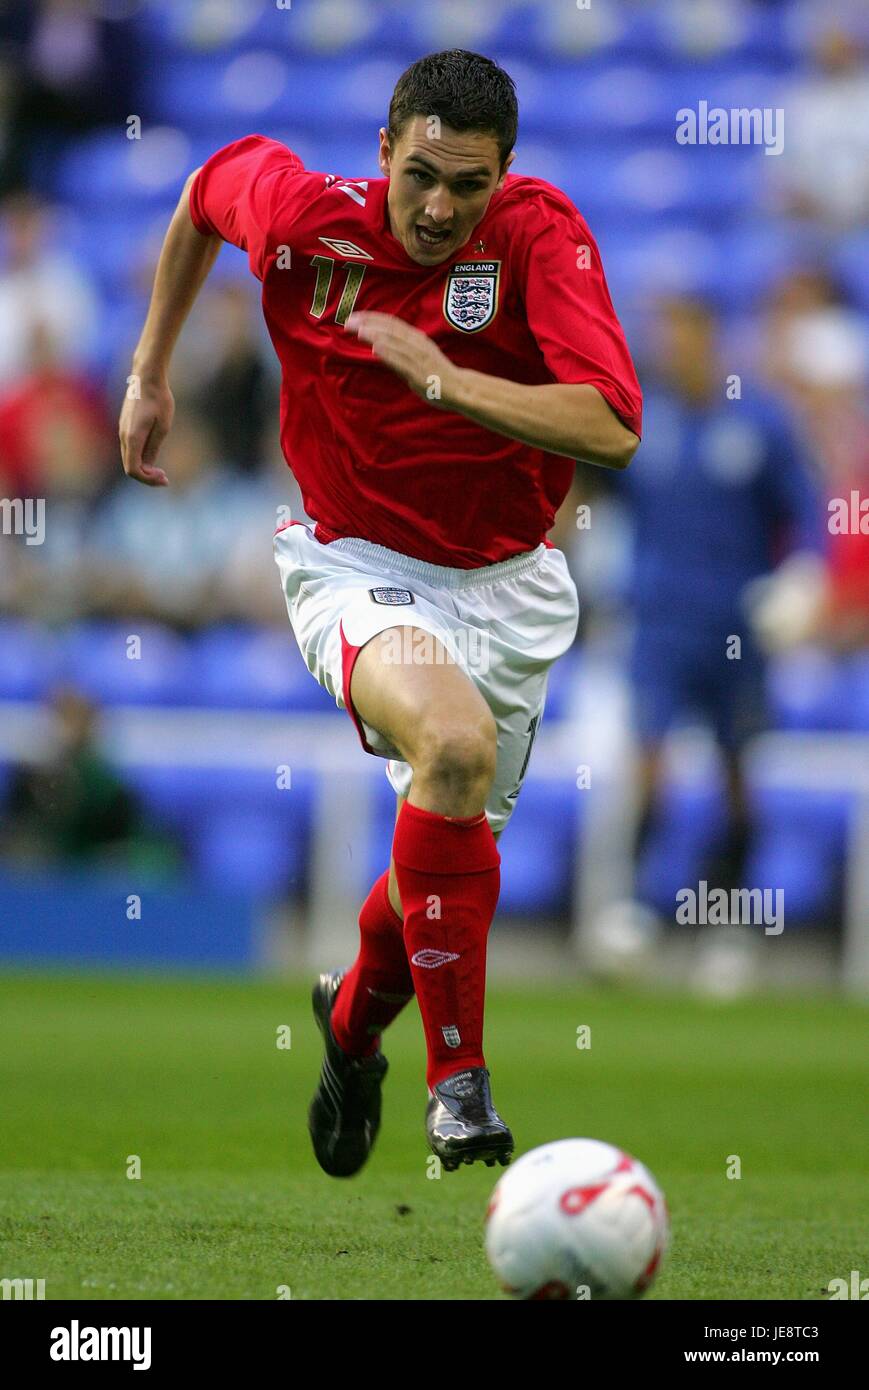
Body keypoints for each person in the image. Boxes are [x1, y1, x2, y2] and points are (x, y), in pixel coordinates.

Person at [118, 50, 642, 1176]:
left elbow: (608, 425)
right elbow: (203, 190)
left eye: (469, 184)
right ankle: (461, 1088)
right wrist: (148, 370)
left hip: (509, 586)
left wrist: (444, 380)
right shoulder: (304, 217)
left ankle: (353, 1036)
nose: (441, 207)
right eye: (419, 177)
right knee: (450, 746)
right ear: (382, 153)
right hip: (351, 562)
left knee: (434, 871)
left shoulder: (540, 235)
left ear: (506, 174)